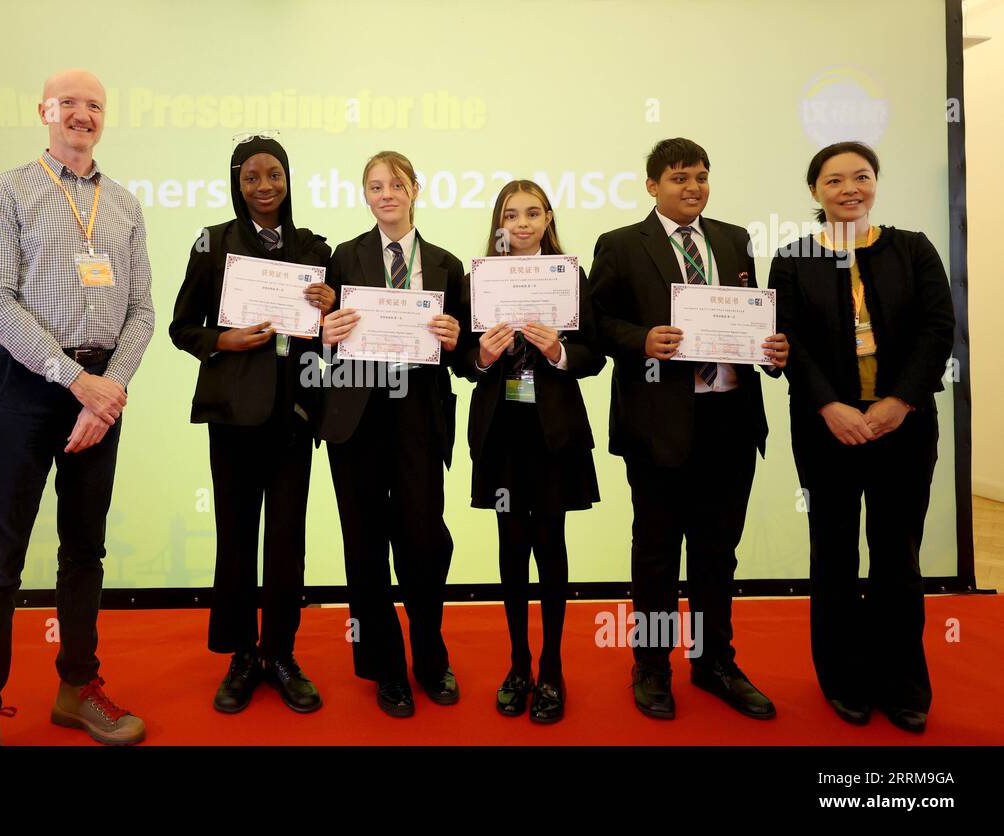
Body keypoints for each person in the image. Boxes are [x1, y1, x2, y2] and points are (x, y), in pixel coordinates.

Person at [0, 69, 154, 746]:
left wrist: (110, 389)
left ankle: (77, 690)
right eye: (69, 103)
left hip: (101, 395)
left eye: (94, 105)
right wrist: (77, 381)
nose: (82, 114)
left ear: (105, 118)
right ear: (45, 111)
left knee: (84, 552)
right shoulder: (9, 189)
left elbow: (142, 312)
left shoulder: (124, 205)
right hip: (28, 387)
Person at [588, 137, 788, 721]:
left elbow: (753, 314)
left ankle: (713, 661)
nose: (692, 186)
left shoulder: (732, 239)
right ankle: (651, 665)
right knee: (655, 554)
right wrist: (641, 339)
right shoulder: (621, 245)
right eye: (679, 177)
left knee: (716, 552)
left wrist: (773, 348)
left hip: (729, 418)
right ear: (652, 185)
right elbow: (597, 325)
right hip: (658, 425)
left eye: (701, 175)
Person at [768, 141, 954, 734]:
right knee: (836, 557)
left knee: (899, 556)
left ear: (876, 183)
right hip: (828, 431)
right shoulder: (793, 258)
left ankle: (903, 686)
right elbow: (787, 338)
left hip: (904, 425)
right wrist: (830, 405)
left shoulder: (911, 247)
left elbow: (938, 327)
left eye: (862, 177)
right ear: (815, 190)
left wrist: (901, 400)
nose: (850, 188)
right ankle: (843, 679)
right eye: (835, 179)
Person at [169, 134, 333, 714]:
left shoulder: (315, 246)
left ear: (289, 179)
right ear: (236, 183)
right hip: (233, 416)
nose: (265, 187)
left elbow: (332, 331)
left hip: (292, 416)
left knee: (286, 543)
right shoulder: (214, 244)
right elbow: (182, 327)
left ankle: (281, 654)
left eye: (275, 175)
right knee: (236, 539)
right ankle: (242, 655)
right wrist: (224, 340)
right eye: (251, 177)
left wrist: (330, 303)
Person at [318, 150, 466, 718]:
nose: (386, 195)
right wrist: (325, 333)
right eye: (374, 186)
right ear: (366, 195)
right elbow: (319, 335)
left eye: (395, 185)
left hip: (419, 421)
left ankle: (430, 656)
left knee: (424, 543)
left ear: (415, 190)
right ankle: (386, 667)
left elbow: (468, 357)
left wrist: (457, 342)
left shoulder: (448, 266)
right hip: (355, 422)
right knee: (365, 546)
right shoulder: (343, 256)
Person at [457, 180, 604, 723]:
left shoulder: (569, 275)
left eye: (532, 213)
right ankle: (518, 664)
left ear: (548, 219)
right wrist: (482, 357)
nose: (521, 223)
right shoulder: (480, 280)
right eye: (510, 214)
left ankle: (551, 667)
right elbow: (460, 361)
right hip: (501, 431)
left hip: (553, 432)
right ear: (499, 223)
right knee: (511, 546)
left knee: (551, 544)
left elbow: (595, 354)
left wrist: (560, 350)